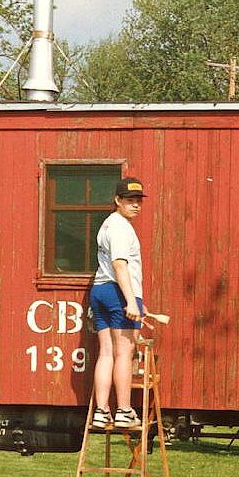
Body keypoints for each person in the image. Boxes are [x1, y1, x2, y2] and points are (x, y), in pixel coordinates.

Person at [89, 178, 150, 430]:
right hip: (117, 292)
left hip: (100, 290)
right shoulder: (121, 228)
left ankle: (102, 411)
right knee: (124, 353)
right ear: (117, 201)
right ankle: (124, 410)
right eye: (130, 200)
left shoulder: (107, 225)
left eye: (138, 201)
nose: (136, 205)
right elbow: (120, 265)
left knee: (106, 352)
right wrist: (132, 301)